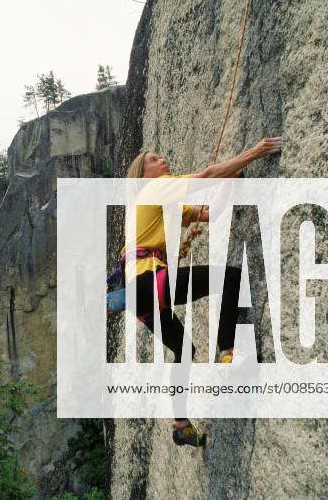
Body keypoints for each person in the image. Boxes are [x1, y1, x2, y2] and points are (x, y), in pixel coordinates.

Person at [120, 137, 281, 447]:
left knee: (184, 351)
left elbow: (210, 213)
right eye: (155, 159)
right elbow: (207, 174)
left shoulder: (163, 203)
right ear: (144, 173)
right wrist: (255, 152)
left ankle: (180, 424)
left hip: (137, 292)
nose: (162, 160)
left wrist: (230, 182)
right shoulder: (154, 189)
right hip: (146, 281)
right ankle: (227, 352)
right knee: (232, 278)